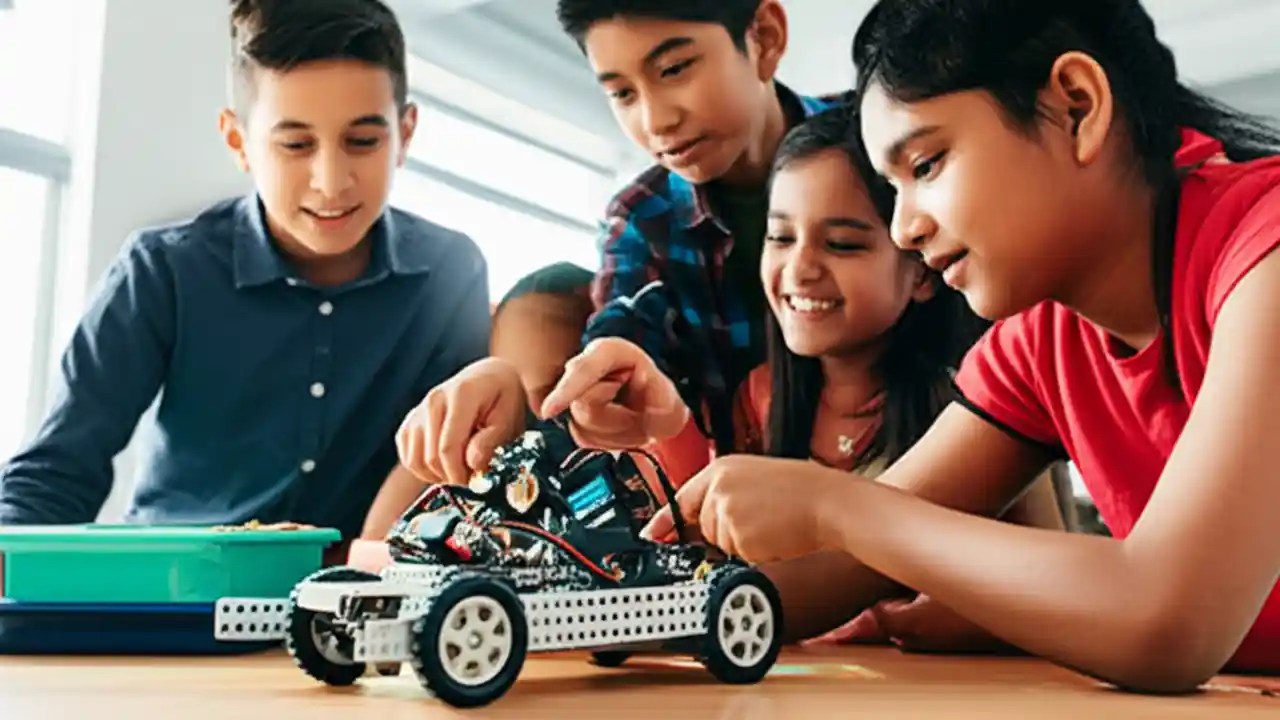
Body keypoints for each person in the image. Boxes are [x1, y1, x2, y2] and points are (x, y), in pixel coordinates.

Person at [638, 0, 1280, 691]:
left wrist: (837, 508)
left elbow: (1168, 620)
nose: (906, 227)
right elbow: (836, 576)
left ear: (1076, 106)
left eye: (928, 163)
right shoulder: (1038, 344)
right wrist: (596, 595)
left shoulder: (1264, 247)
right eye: (891, 189)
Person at [0, 0, 490, 541]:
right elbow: (57, 472)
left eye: (362, 141)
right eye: (295, 144)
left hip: (349, 603)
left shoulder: (451, 272)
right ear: (239, 141)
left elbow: (445, 472)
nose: (331, 181)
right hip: (172, 597)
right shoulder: (162, 270)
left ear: (406, 133)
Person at [392, 0, 840, 489]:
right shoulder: (640, 219)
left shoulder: (883, 148)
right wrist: (570, 400)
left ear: (765, 37)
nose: (656, 120)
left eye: (674, 69)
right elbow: (619, 342)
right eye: (623, 93)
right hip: (747, 517)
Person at [740, 103, 1070, 651]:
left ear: (921, 267)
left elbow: (1056, 595)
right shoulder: (757, 398)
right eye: (780, 238)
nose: (800, 268)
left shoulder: (978, 406)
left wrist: (938, 615)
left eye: (842, 244)